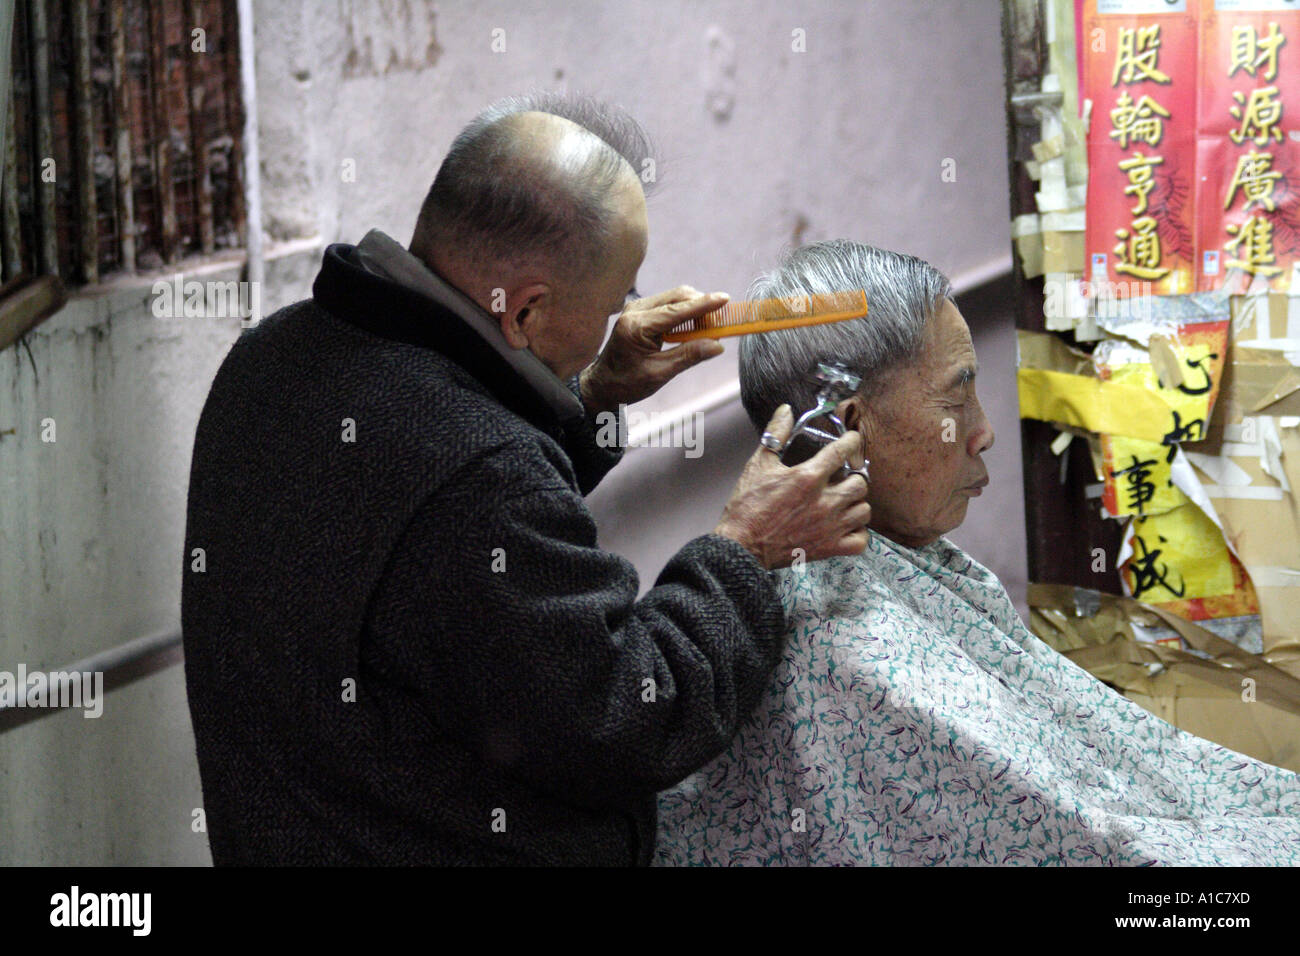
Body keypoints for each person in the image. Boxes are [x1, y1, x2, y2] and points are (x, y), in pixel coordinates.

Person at [180, 93, 872, 865]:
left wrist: (595, 391)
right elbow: (622, 724)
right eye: (616, 302)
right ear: (527, 313)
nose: (623, 317)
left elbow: (447, 573)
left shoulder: (275, 353)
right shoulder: (479, 474)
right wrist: (745, 550)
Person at [654, 239, 1300, 866]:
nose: (983, 431)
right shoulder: (858, 660)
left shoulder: (895, 568)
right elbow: (1103, 848)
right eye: (956, 396)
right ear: (849, 428)